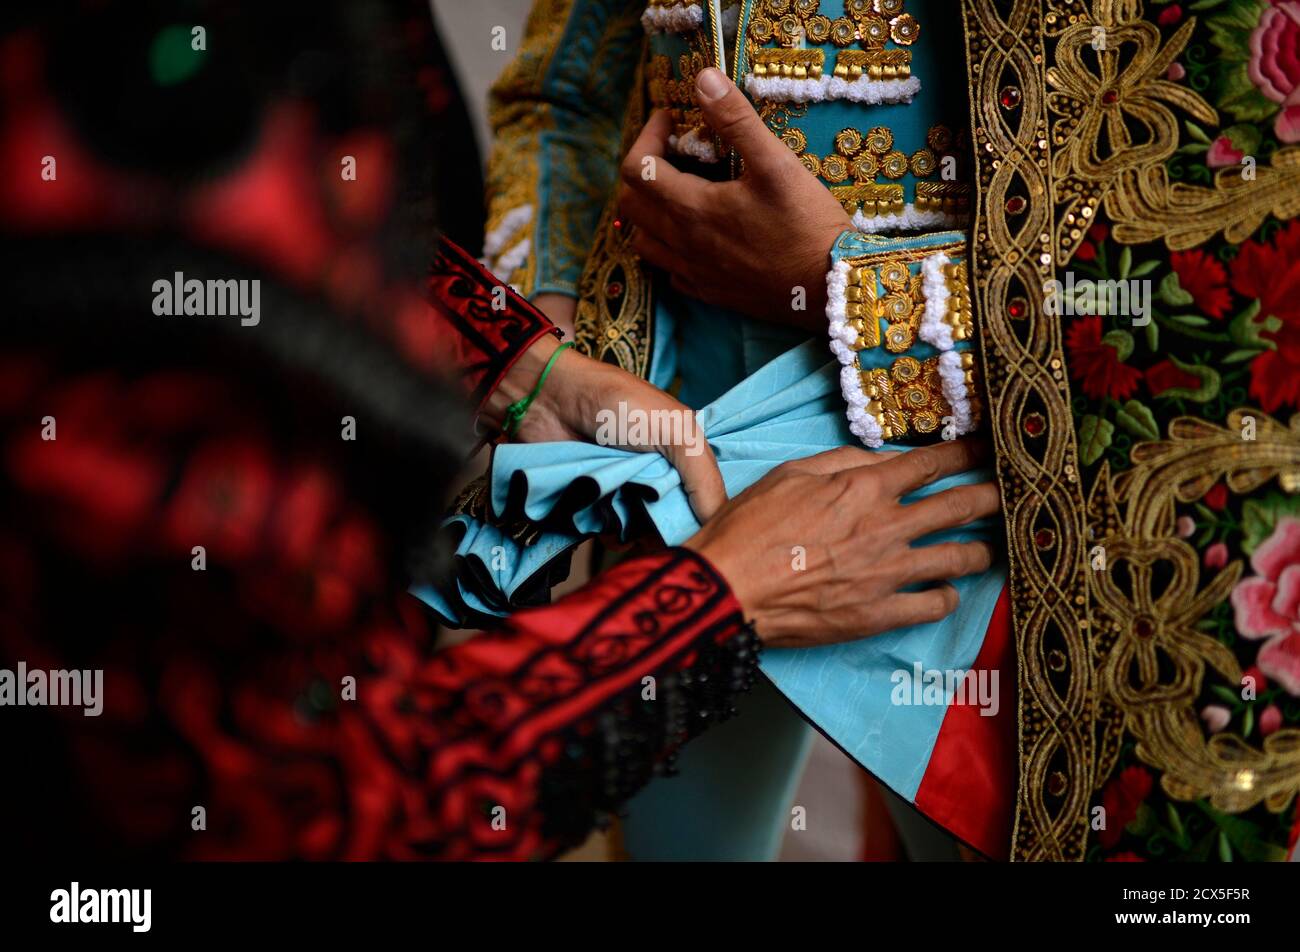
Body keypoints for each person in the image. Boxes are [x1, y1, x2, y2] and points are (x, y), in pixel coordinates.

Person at [0, 0, 996, 860]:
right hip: (670, 443)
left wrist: (520, 363)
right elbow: (317, 809)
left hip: (959, 465)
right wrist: (707, 609)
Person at [474, 0, 1013, 859]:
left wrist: (846, 286)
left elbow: (1153, 200)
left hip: (973, 471)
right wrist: (546, 346)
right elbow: (563, 99)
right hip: (675, 436)